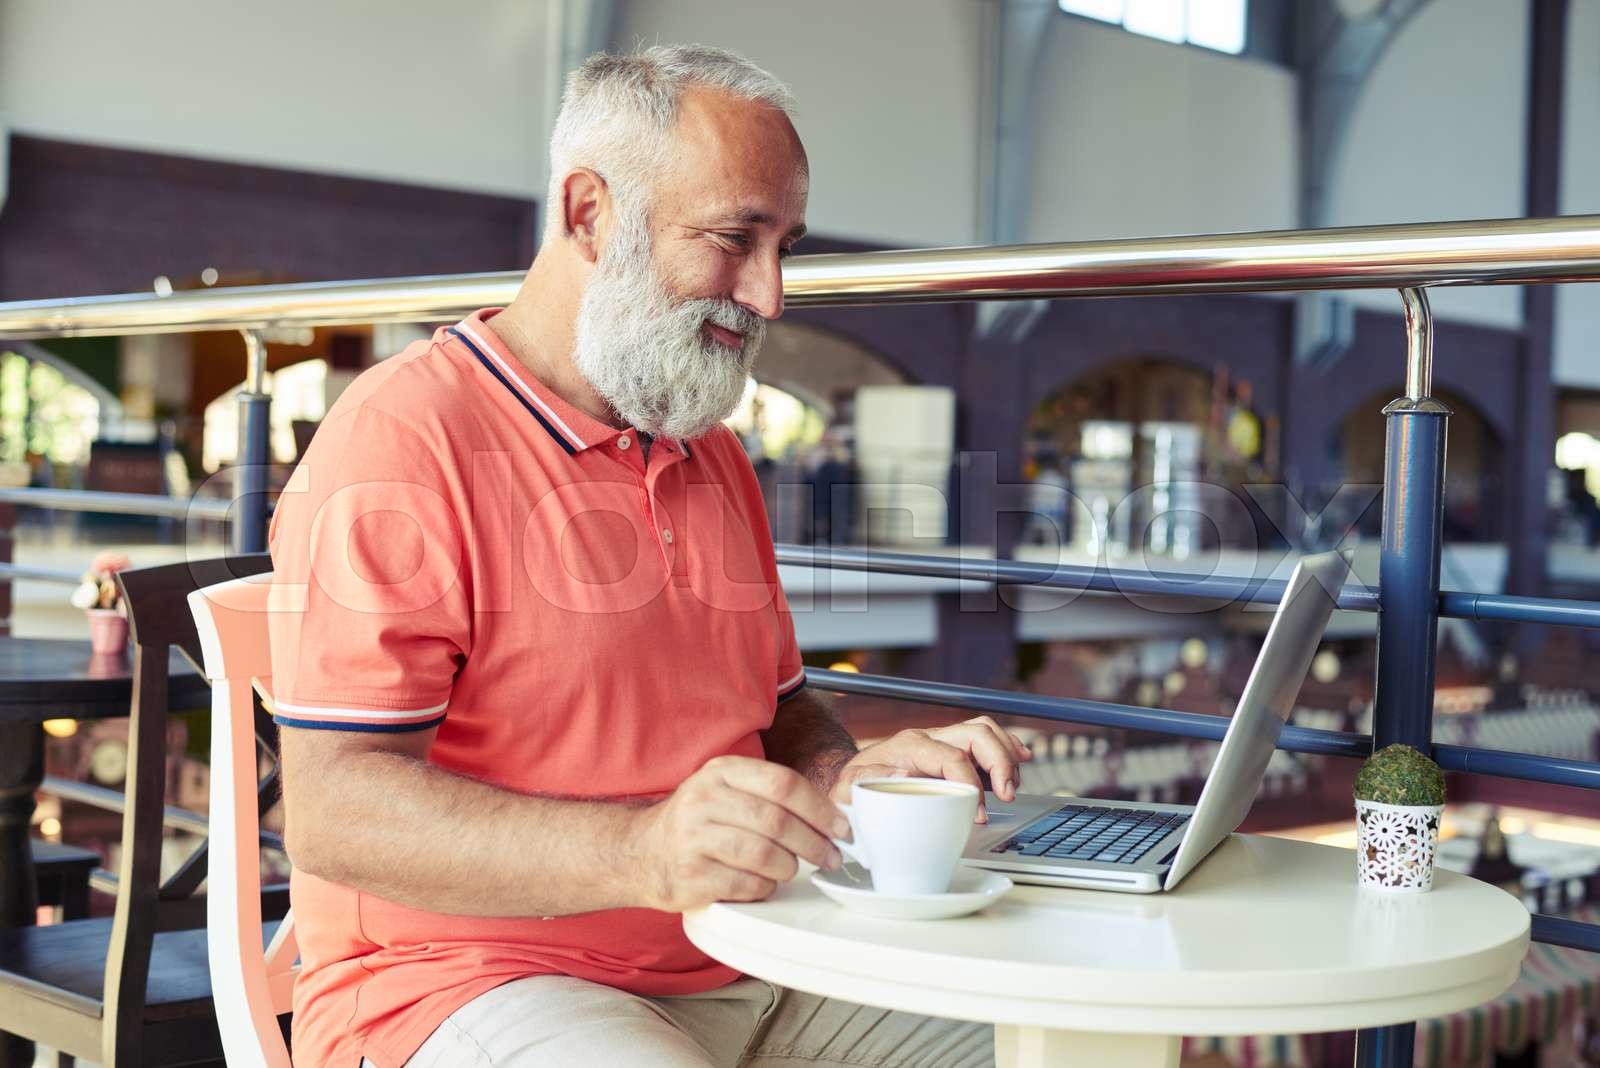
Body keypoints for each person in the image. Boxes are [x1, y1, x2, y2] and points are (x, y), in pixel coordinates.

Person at [268, 46, 1029, 1068]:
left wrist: (848, 778)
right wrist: (640, 851)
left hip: (750, 952)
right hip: (459, 983)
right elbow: (334, 812)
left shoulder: (705, 445)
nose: (768, 297)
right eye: (730, 239)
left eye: (782, 246)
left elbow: (779, 707)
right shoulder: (403, 436)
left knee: (1044, 1040)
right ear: (588, 213)